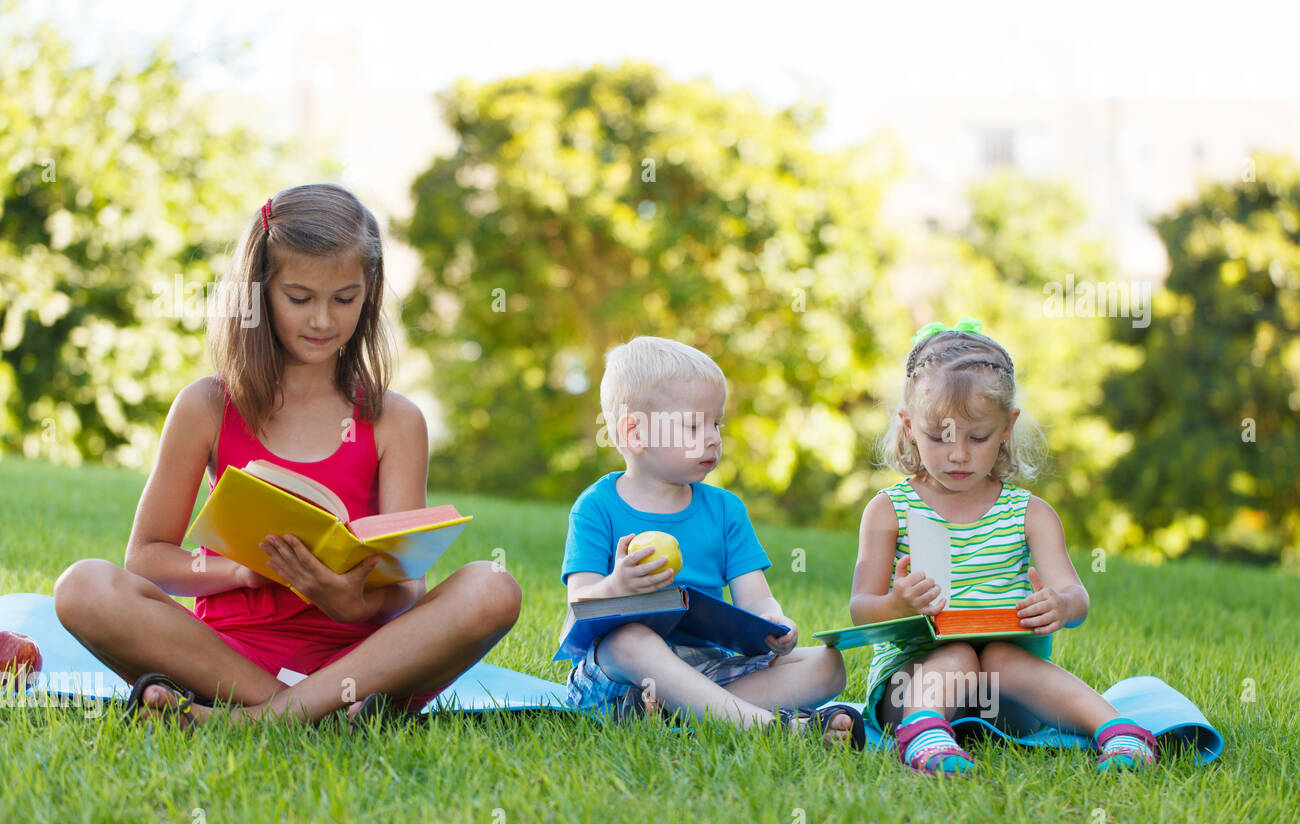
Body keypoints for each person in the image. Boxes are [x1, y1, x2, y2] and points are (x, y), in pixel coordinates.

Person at [53, 184, 521, 728]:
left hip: (364, 668)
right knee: (83, 586)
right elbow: (147, 560)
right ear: (260, 292)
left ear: (368, 293)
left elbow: (405, 587)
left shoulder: (395, 420)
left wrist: (351, 604)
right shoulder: (206, 406)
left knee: (493, 585)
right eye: (300, 298)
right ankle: (301, 714)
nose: (323, 320)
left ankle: (259, 719)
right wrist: (244, 573)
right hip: (226, 659)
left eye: (344, 299)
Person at [849, 318, 1158, 775]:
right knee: (957, 656)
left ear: (1007, 426)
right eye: (940, 437)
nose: (958, 455)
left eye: (978, 438)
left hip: (1010, 701)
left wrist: (1059, 606)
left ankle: (1120, 733)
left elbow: (1077, 597)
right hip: (911, 689)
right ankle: (925, 738)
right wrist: (897, 604)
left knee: (995, 655)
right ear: (909, 426)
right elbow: (860, 609)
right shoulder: (888, 510)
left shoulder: (1030, 513)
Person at [560, 336, 864, 747]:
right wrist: (618, 587)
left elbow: (756, 600)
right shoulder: (596, 507)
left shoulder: (725, 510)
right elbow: (579, 607)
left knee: (828, 664)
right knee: (632, 640)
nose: (713, 438)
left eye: (716, 424)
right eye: (692, 425)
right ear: (635, 432)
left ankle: (689, 716)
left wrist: (777, 625)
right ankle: (772, 729)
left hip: (708, 667)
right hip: (617, 678)